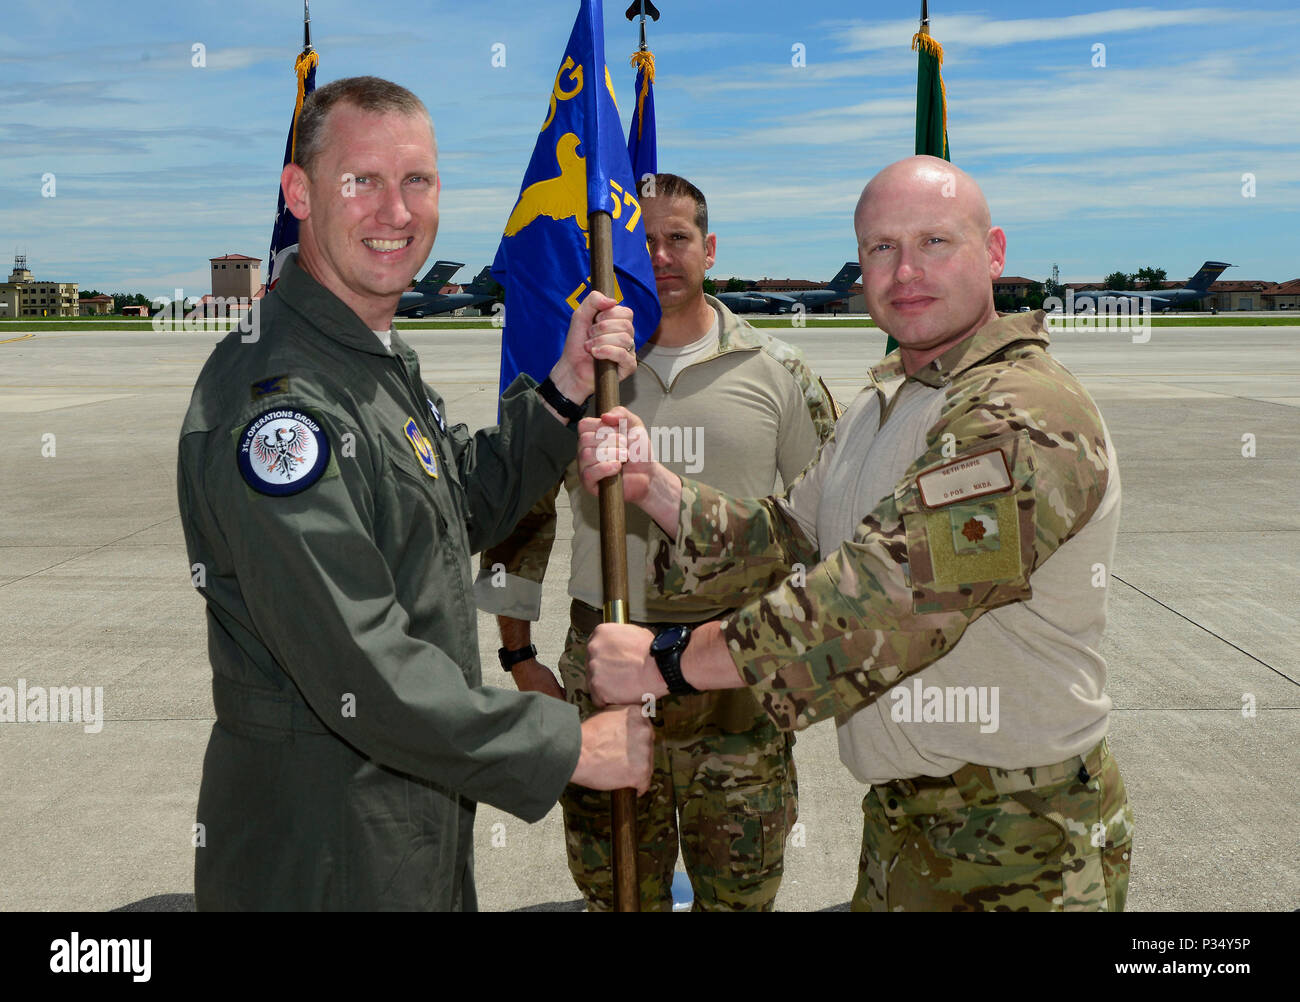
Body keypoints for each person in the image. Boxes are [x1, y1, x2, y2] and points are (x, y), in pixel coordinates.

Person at [580, 155, 1135, 912]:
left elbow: (891, 600)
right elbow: (792, 537)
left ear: (995, 252)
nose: (905, 270)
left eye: (935, 241)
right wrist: (657, 488)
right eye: (881, 248)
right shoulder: (888, 403)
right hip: (909, 821)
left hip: (1018, 841)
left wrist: (669, 663)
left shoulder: (1021, 410)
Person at [175, 76, 651, 912]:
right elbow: (364, 664)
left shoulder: (368, 360)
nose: (396, 211)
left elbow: (450, 506)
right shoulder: (283, 405)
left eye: (418, 181)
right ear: (300, 192)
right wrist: (567, 743)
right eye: (362, 180)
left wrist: (566, 388)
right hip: (324, 851)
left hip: (405, 821)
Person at [474, 173, 837, 911]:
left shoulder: (779, 372)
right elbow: (518, 525)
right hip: (604, 673)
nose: (660, 256)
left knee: (740, 896)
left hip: (734, 680)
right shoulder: (579, 379)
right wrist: (518, 658)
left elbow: (825, 529)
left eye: (677, 238)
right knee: (616, 894)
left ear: (710, 249)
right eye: (642, 241)